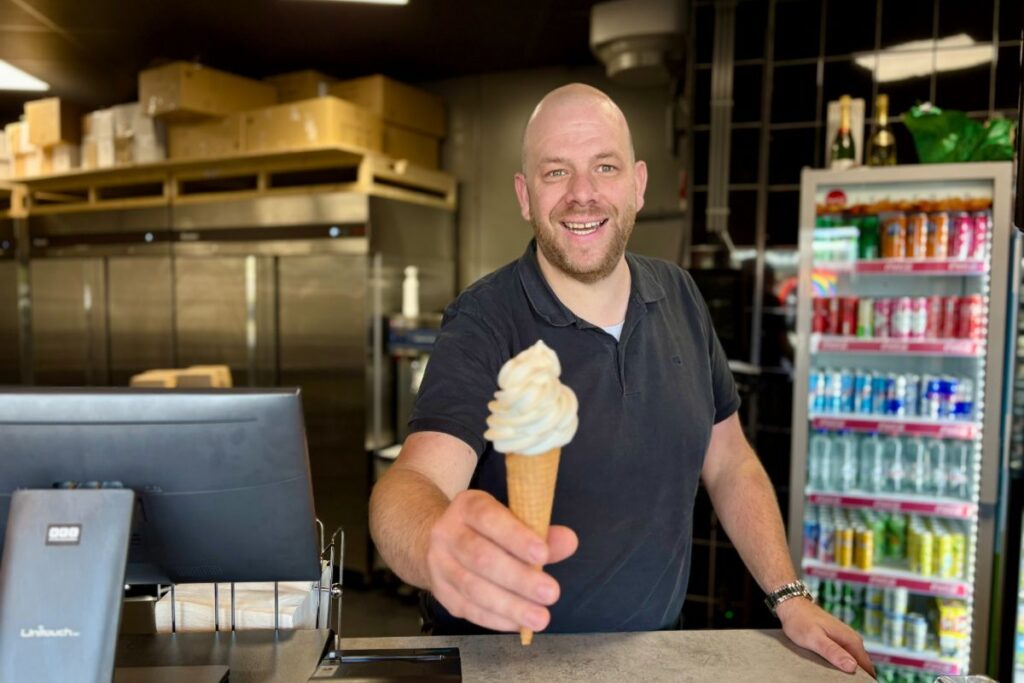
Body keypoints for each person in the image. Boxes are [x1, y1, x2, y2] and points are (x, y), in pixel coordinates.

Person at [369, 83, 873, 677]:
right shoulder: (483, 320)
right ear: (525, 196)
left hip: (653, 660)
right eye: (556, 172)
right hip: (506, 665)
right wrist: (433, 545)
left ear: (636, 184)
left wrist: (790, 597)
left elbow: (731, 461)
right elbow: (413, 482)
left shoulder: (681, 295)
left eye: (603, 167)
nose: (582, 195)